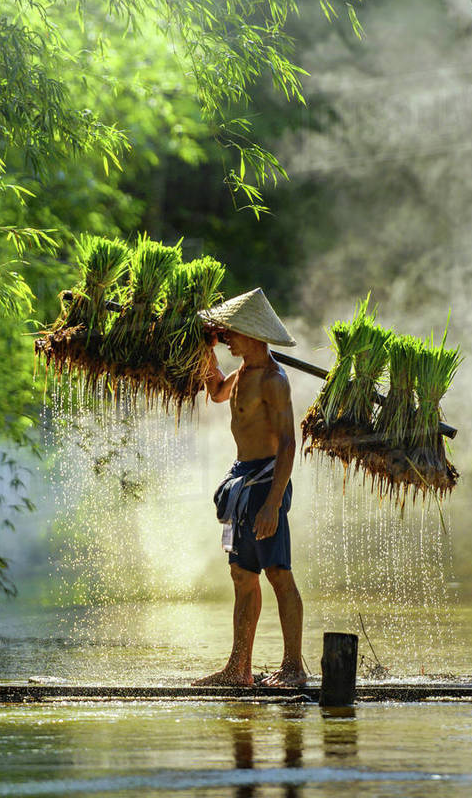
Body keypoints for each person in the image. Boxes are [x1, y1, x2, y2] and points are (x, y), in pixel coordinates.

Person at [192, 288, 306, 688]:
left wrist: (273, 503)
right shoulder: (242, 374)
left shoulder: (275, 380)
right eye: (223, 334)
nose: (227, 338)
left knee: (278, 573)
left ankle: (294, 667)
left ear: (254, 335)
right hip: (242, 481)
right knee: (242, 575)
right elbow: (216, 391)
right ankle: (238, 669)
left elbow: (289, 444)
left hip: (266, 482)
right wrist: (206, 350)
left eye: (232, 333)